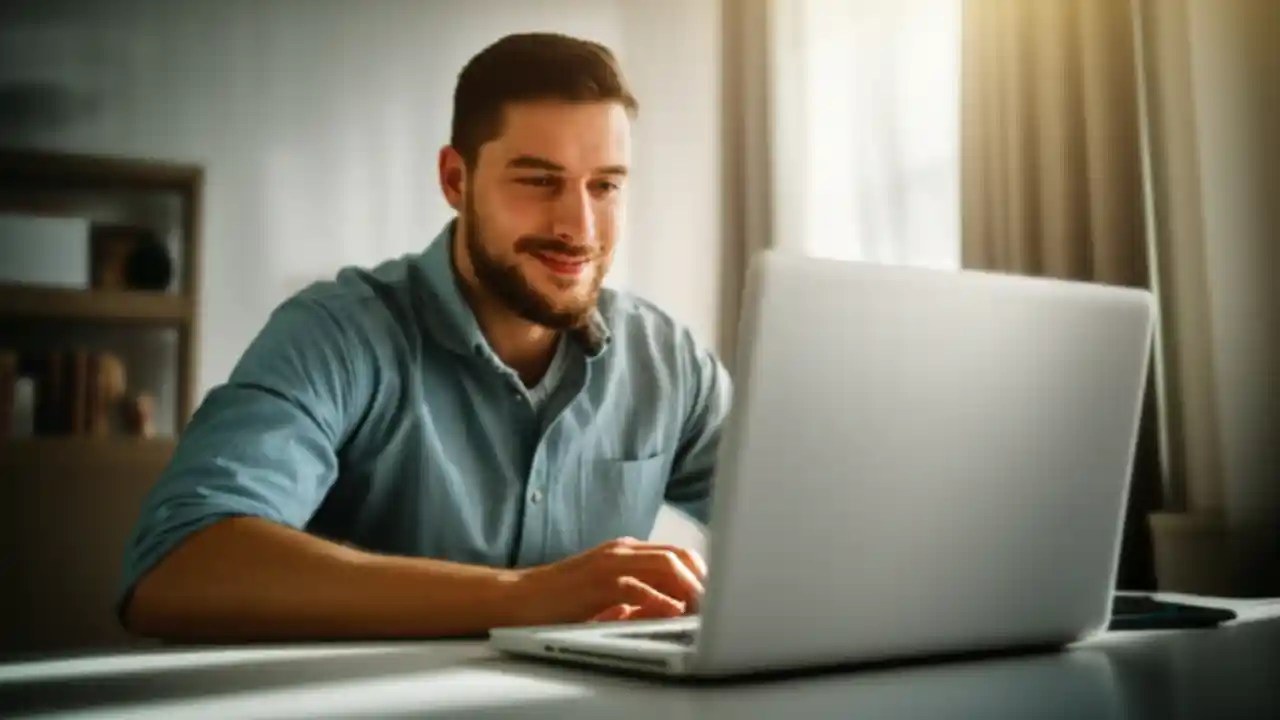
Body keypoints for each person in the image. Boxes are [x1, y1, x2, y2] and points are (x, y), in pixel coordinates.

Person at [119, 32, 732, 641]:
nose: (580, 225)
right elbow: (177, 567)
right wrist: (530, 597)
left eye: (605, 185)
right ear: (455, 180)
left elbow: (801, 528)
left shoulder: (668, 362)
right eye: (539, 181)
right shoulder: (338, 334)